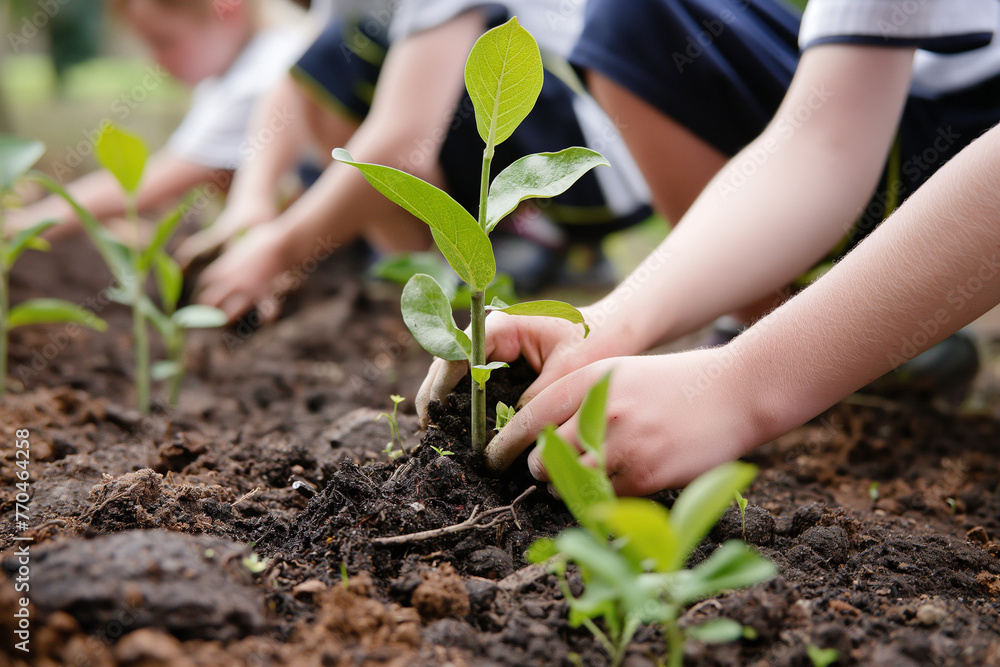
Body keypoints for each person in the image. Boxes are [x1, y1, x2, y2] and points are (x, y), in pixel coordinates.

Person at [417, 0, 1000, 493]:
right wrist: (610, 323)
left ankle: (829, 350)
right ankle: (806, 330)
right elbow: (824, 145)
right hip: (929, 134)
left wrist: (737, 387)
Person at [187, 0, 804, 323]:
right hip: (577, 140)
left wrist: (275, 252)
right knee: (337, 50)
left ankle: (474, 263)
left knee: (351, 56)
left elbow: (403, 139)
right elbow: (296, 78)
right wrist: (252, 202)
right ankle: (452, 273)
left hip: (613, 149)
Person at [7, 0, 306, 238]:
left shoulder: (258, 77)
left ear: (227, 8)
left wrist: (29, 223)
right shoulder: (241, 64)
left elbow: (143, 186)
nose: (156, 61)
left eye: (163, 41)